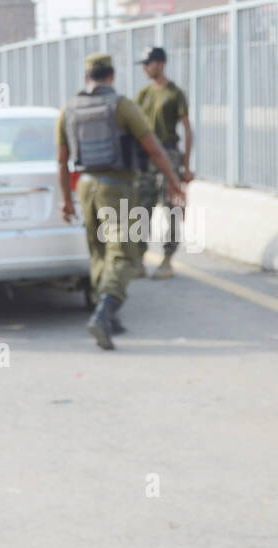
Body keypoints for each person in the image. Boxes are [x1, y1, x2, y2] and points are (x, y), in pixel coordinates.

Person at [57, 52, 184, 350]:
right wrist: (174, 180)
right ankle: (104, 312)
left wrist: (67, 200)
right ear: (111, 76)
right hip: (117, 186)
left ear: (87, 78)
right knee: (125, 253)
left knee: (99, 252)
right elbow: (153, 148)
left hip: (85, 186)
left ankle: (108, 317)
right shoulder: (122, 106)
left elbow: (61, 161)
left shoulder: (69, 109)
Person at [134, 46, 194, 279]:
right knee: (142, 208)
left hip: (168, 155)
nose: (145, 69)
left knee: (171, 209)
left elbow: (188, 130)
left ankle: (167, 259)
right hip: (147, 158)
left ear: (159, 64)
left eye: (147, 64)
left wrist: (186, 166)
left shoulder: (174, 94)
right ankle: (139, 258)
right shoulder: (143, 94)